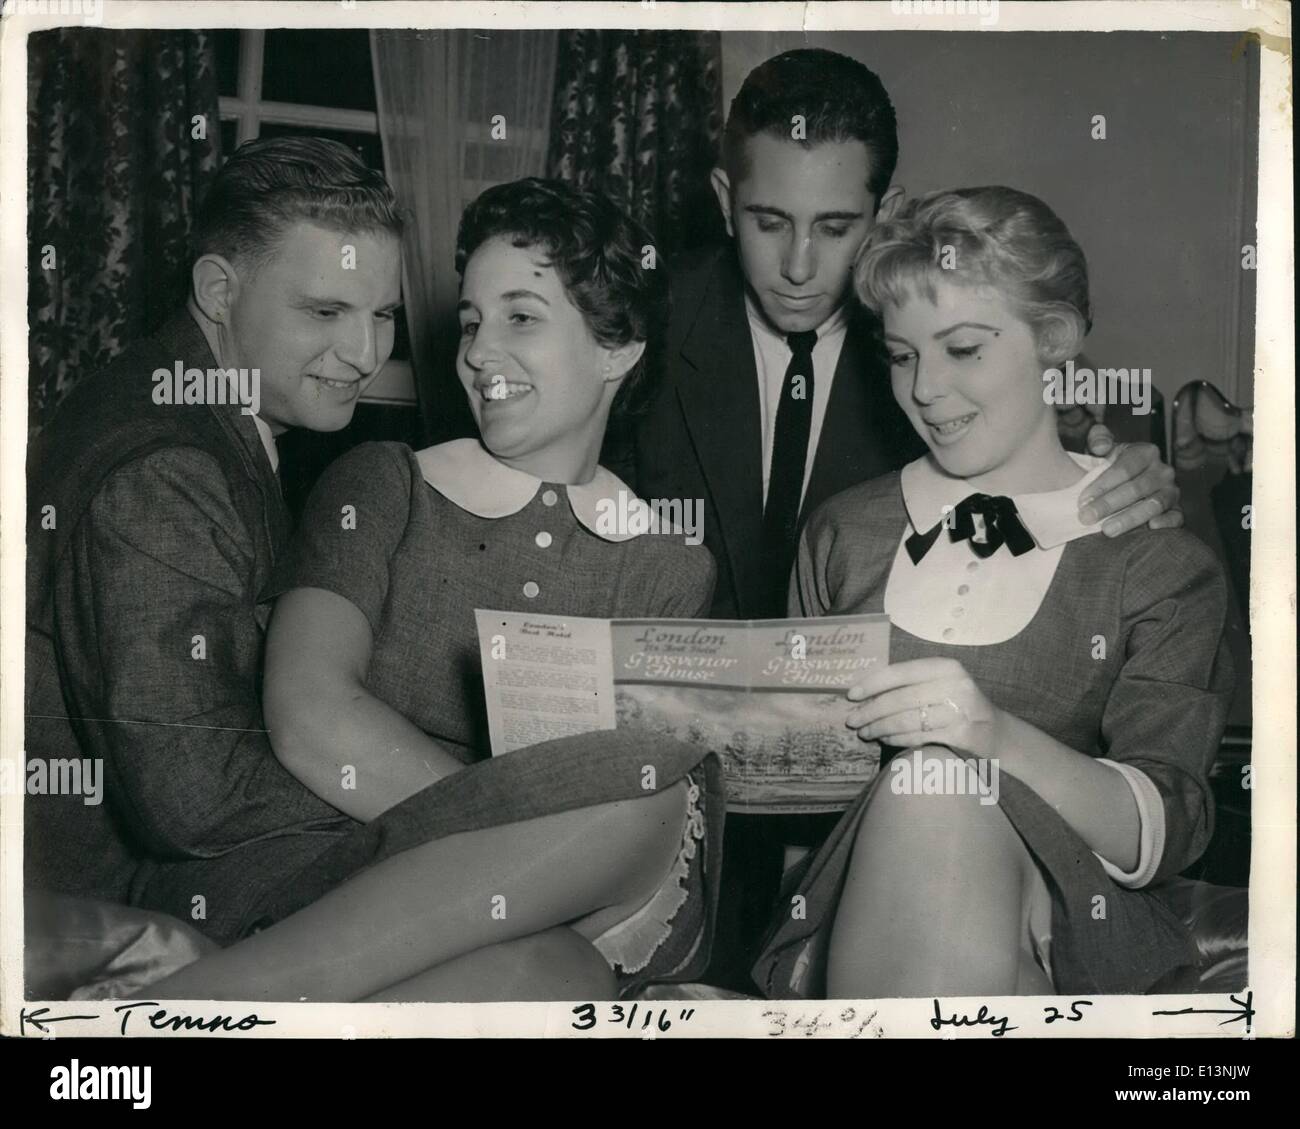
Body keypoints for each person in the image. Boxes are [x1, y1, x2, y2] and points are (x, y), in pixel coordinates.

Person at [619, 47, 1186, 988]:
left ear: (884, 213)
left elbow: (1024, 421)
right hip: (732, 834)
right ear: (724, 198)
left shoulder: (960, 371)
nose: (800, 265)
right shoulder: (635, 330)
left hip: (1010, 882)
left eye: (837, 226)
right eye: (767, 221)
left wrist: (1120, 465)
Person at [128, 178, 724, 1003]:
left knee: (567, 969)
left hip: (517, 923)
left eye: (520, 316)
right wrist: (533, 830)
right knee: (631, 794)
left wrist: (545, 854)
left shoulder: (666, 566)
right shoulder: (383, 484)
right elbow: (307, 716)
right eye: (472, 322)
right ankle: (186, 1010)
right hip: (313, 867)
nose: (478, 353)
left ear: (618, 346)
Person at [752, 186, 1234, 999]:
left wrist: (990, 736)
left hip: (1069, 927)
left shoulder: (1158, 562)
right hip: (865, 934)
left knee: (935, 783)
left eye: (963, 349)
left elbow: (1168, 820)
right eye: (902, 355)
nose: (926, 390)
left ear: (1055, 339)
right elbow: (803, 821)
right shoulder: (842, 532)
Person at [25, 137, 404, 936]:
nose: (366, 355)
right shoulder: (165, 468)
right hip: (103, 910)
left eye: (383, 316)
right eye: (326, 311)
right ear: (218, 289)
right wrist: (431, 785)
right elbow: (193, 796)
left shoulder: (183, 399)